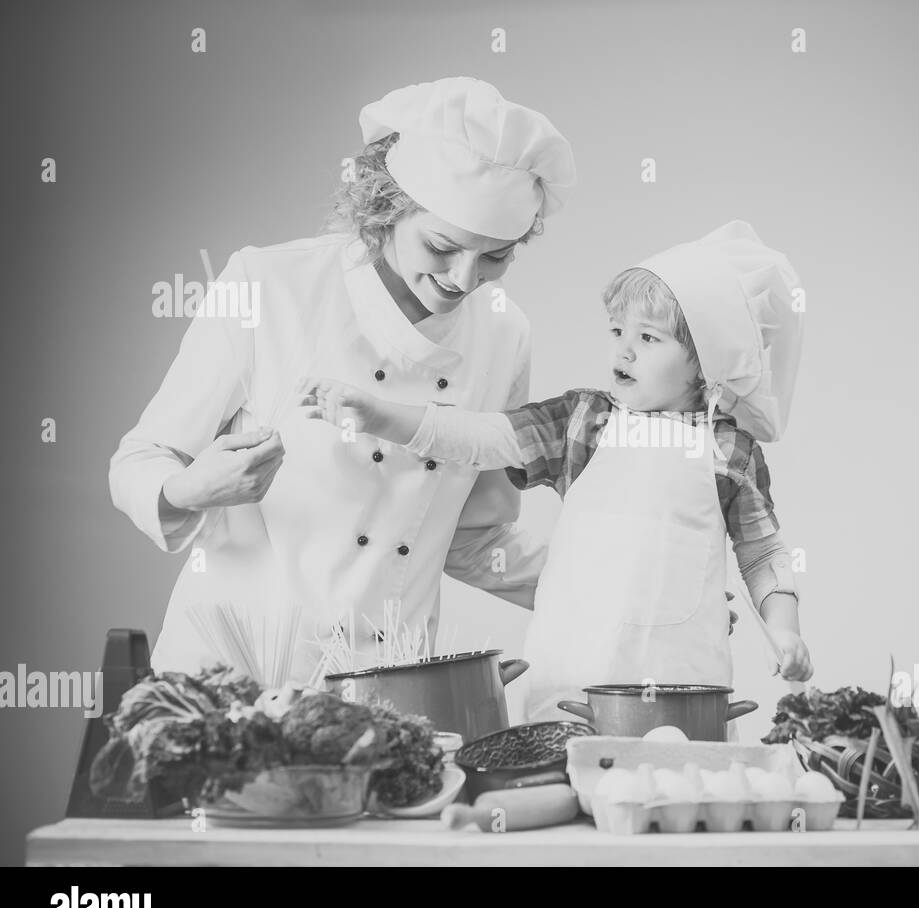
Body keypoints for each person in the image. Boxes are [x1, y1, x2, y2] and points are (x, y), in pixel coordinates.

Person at [108, 78, 576, 679]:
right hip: (238, 677)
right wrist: (192, 489)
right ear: (385, 211)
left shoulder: (504, 334)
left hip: (391, 684)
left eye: (496, 255)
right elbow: (139, 459)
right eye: (441, 246)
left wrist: (621, 598)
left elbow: (474, 537)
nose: (464, 278)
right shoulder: (271, 286)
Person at [300, 221, 812, 720]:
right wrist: (379, 416)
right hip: (572, 669)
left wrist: (784, 630)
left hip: (683, 679)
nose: (624, 349)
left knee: (669, 788)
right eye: (618, 330)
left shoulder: (729, 449)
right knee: (566, 782)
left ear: (705, 362)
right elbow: (483, 436)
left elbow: (762, 551)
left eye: (650, 338)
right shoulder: (585, 420)